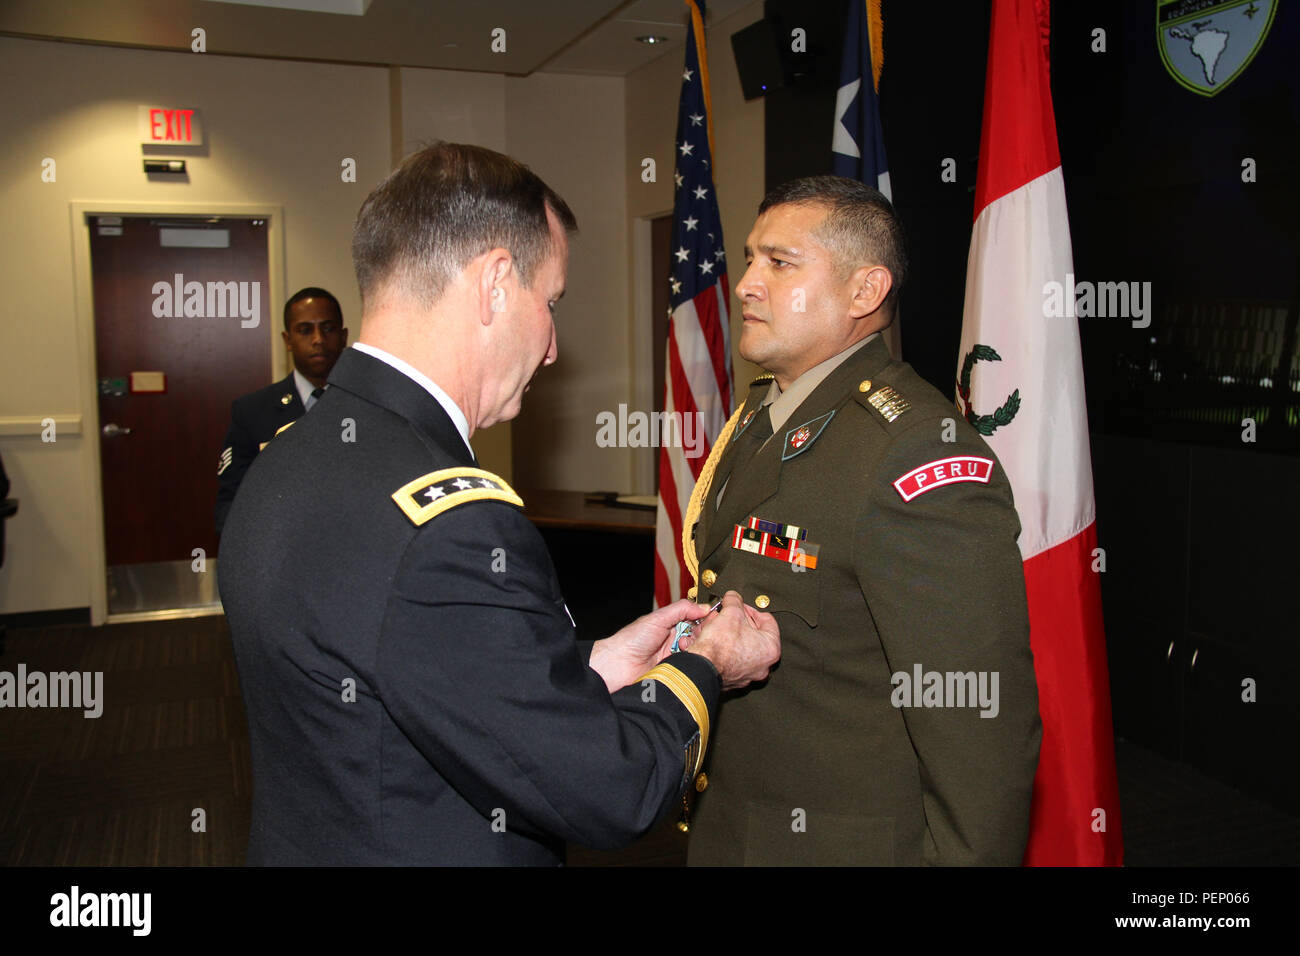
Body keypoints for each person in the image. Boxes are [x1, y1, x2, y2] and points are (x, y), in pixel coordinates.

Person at [218, 143, 781, 866]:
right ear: (494, 284)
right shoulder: (449, 525)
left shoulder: (292, 453)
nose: (551, 349)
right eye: (550, 303)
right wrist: (705, 663)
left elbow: (422, 669)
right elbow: (611, 788)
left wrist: (600, 662)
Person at [684, 176, 1041, 866]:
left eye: (779, 263)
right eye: (752, 258)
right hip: (736, 825)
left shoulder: (910, 453)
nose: (746, 284)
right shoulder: (761, 414)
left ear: (864, 292)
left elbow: (978, 725)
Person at [213, 287, 347, 534]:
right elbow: (231, 503)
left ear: (344, 336)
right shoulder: (252, 413)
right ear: (288, 340)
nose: (318, 339)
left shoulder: (371, 405)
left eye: (328, 328)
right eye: (305, 330)